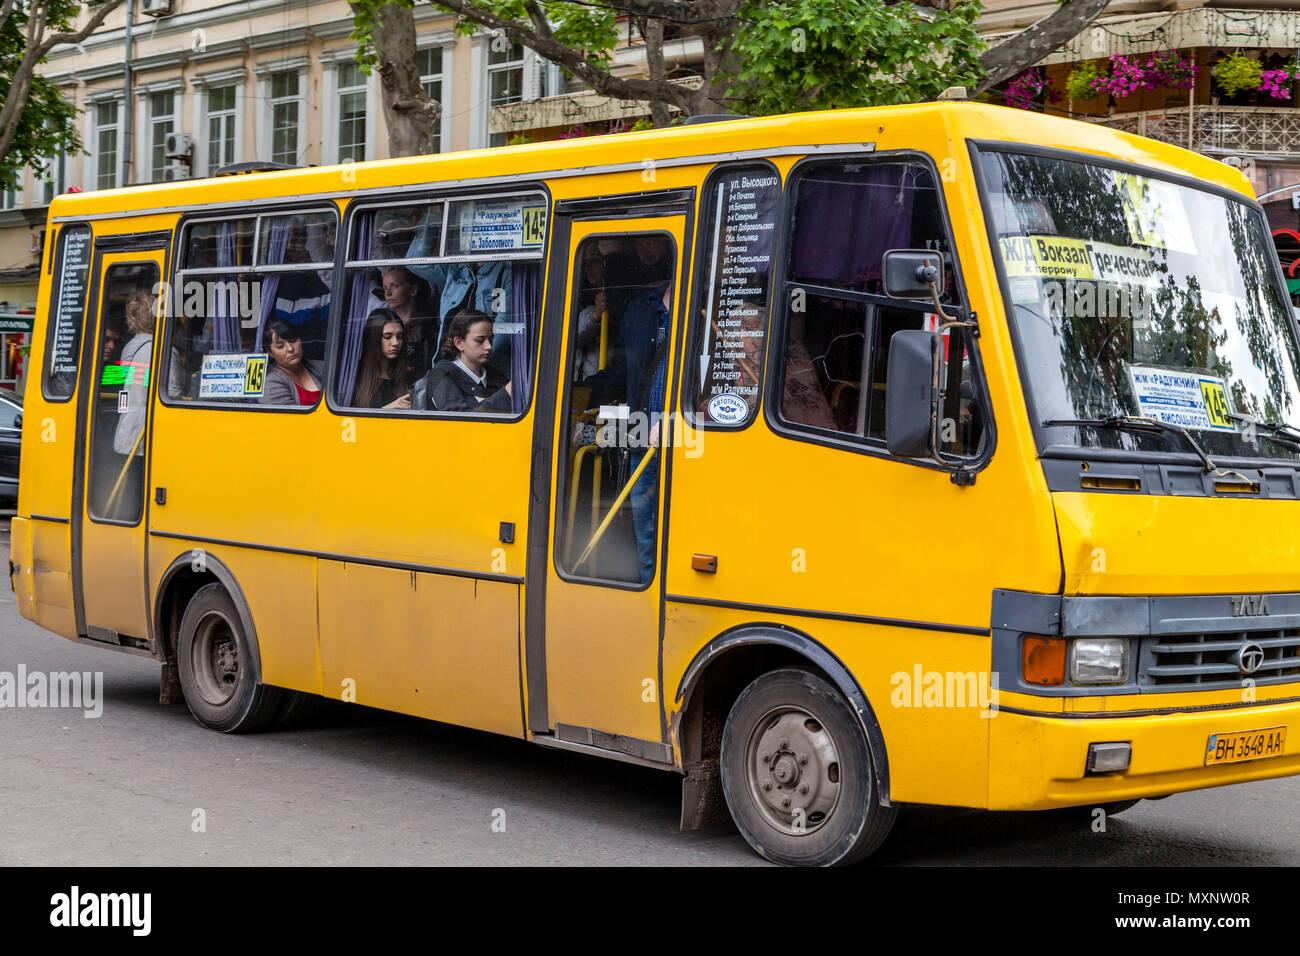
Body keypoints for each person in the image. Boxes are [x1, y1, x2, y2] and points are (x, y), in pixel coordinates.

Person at [412, 308, 512, 412]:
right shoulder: (443, 373)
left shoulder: (495, 375)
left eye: (490, 339)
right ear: (459, 343)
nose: (489, 346)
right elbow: (458, 418)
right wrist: (505, 394)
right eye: (480, 340)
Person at [381, 266, 437, 380]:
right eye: (385, 288)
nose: (388, 293)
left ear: (413, 290)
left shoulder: (429, 327)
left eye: (395, 286)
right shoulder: (382, 326)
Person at [353, 308, 411, 410]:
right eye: (387, 336)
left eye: (400, 336)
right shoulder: (354, 378)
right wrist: (385, 411)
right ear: (373, 338)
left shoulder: (408, 377)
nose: (395, 343)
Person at [260, 318, 325, 406]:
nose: (290, 349)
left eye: (293, 341)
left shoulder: (321, 367)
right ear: (270, 352)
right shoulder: (270, 382)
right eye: (280, 346)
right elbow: (289, 418)